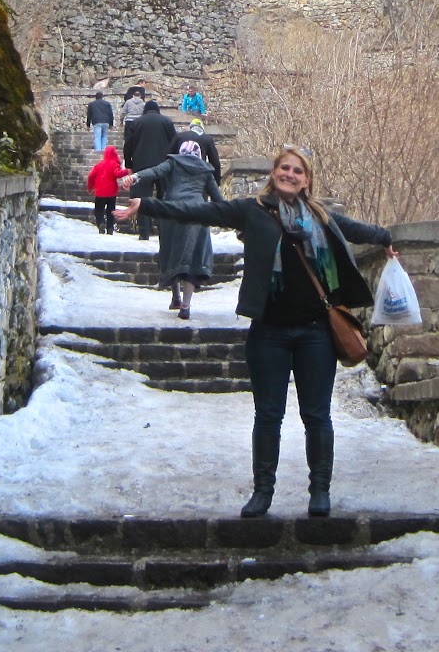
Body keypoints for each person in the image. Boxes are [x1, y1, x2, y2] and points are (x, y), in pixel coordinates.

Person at [117, 146, 396, 518]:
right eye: (284, 168)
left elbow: (357, 230)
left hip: (316, 332)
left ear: (307, 179)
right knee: (268, 416)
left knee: (317, 416)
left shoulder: (321, 216)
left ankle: (320, 491)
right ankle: (263, 492)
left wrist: (387, 237)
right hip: (269, 332)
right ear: (274, 173)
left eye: (298, 170)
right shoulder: (252, 210)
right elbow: (201, 211)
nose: (290, 175)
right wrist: (148, 207)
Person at [123, 139, 225, 318]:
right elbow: (218, 198)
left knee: (172, 251)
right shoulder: (205, 170)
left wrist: (135, 176)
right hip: (197, 213)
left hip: (172, 211)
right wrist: (232, 216)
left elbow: (155, 171)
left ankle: (175, 297)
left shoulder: (173, 162)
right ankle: (186, 305)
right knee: (192, 257)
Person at [124, 99, 180, 240]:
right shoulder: (166, 122)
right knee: (164, 198)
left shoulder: (136, 123)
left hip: (141, 166)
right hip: (163, 166)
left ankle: (144, 232)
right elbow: (176, 142)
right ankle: (164, 230)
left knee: (142, 199)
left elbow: (128, 145)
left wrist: (129, 165)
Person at [85, 146, 132, 234]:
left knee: (99, 210)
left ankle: (101, 223)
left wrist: (90, 187)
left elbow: (91, 176)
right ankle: (110, 228)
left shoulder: (98, 165)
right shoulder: (114, 164)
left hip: (100, 193)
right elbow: (118, 174)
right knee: (111, 211)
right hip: (111, 193)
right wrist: (127, 171)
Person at [187, 117, 223, 182]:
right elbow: (214, 161)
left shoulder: (180, 137)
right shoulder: (207, 139)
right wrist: (217, 180)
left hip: (182, 174)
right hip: (200, 174)